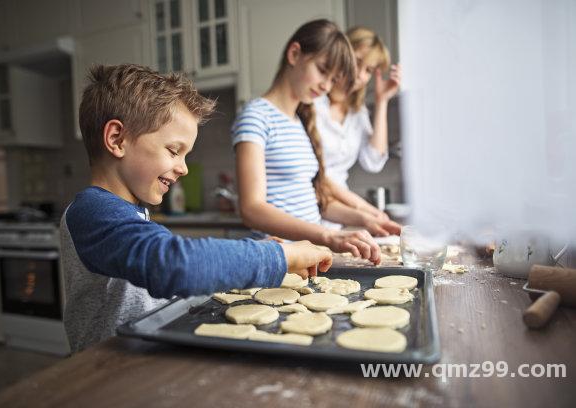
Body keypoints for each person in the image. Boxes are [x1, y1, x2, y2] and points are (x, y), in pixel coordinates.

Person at [60, 64, 332, 352]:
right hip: (107, 374)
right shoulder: (93, 211)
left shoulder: (129, 208)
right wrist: (280, 255)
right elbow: (173, 264)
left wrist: (253, 246)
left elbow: (178, 255)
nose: (184, 169)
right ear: (117, 139)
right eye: (174, 150)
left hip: (146, 360)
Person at [232, 19, 383, 263]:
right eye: (323, 70)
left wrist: (364, 219)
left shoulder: (300, 122)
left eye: (333, 79)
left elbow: (317, 203)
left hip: (308, 259)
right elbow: (252, 209)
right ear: (294, 54)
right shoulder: (256, 116)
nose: (325, 85)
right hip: (279, 259)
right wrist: (328, 235)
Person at [314, 27, 401, 233]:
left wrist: (382, 101)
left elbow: (373, 161)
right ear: (340, 53)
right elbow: (315, 175)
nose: (359, 75)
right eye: (357, 61)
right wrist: (363, 209)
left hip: (336, 219)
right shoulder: (313, 103)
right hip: (307, 211)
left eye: (368, 70)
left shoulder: (357, 112)